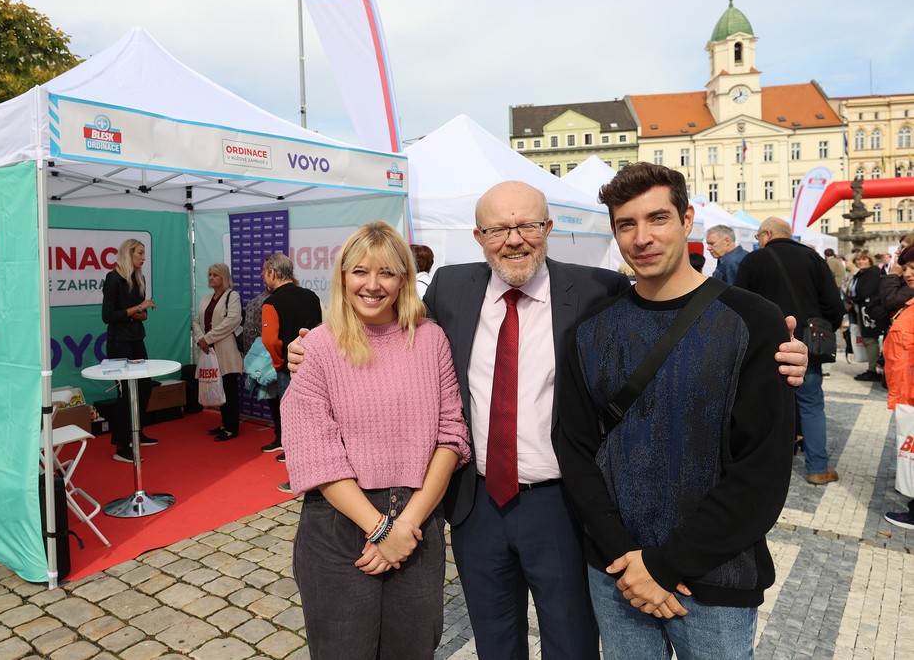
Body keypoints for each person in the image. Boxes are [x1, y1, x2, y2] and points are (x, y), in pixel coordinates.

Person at [288, 181, 808, 659]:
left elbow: (673, 309)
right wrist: (307, 346)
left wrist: (776, 346)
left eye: (528, 226)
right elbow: (386, 322)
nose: (514, 240)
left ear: (548, 229)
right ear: (479, 236)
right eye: (498, 229)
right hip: (476, 504)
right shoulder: (450, 288)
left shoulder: (596, 288)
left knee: (571, 641)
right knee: (495, 640)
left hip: (561, 502)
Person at [559, 162, 794, 660]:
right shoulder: (592, 329)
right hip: (617, 573)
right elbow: (575, 447)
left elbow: (762, 469)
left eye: (657, 218)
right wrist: (625, 558)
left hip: (713, 577)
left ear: (688, 221)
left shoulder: (752, 320)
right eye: (627, 224)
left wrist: (667, 564)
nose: (642, 237)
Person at [281, 221, 471, 659]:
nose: (372, 285)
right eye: (360, 271)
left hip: (417, 519)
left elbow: (451, 434)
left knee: (415, 649)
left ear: (404, 278)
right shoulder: (319, 348)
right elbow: (317, 455)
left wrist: (405, 525)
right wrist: (381, 527)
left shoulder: (430, 339)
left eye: (386, 272)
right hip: (338, 523)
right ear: (342, 277)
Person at [734, 218, 845, 485]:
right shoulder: (813, 258)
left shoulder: (753, 261)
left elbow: (738, 306)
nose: (758, 241)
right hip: (804, 345)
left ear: (769, 234)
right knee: (811, 405)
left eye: (759, 236)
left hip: (763, 347)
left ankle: (763, 470)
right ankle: (818, 468)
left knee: (765, 407)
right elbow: (833, 305)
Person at [262, 253, 322, 493]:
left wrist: (279, 364)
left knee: (293, 425)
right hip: (315, 367)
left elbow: (269, 341)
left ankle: (297, 479)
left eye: (265, 272)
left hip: (290, 369)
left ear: (273, 273)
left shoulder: (271, 303)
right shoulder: (311, 296)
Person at [101, 238, 158, 463]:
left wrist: (141, 313)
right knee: (125, 393)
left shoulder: (138, 277)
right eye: (140, 253)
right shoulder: (113, 279)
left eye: (144, 254)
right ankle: (121, 445)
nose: (144, 258)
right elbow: (108, 316)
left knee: (144, 385)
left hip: (136, 338)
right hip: (119, 343)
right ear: (129, 254)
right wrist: (137, 308)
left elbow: (136, 311)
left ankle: (136, 432)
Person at [882, 244, 914, 529]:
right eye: (906, 268)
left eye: (913, 268)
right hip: (905, 392)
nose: (908, 274)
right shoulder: (911, 303)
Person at [192, 264, 243, 440]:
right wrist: (201, 339)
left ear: (223, 277)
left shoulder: (232, 296)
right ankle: (224, 423)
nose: (211, 278)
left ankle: (231, 428)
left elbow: (233, 320)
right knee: (216, 386)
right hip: (208, 350)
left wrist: (208, 338)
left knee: (229, 388)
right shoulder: (205, 299)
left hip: (226, 350)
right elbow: (196, 320)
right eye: (209, 274)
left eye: (215, 275)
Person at [849, 251, 887, 381]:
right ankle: (872, 367)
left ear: (870, 260)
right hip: (861, 309)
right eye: (858, 260)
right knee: (867, 339)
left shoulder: (872, 272)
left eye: (864, 259)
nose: (860, 262)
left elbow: (865, 292)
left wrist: (853, 299)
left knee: (870, 339)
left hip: (869, 310)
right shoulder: (860, 273)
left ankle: (873, 369)